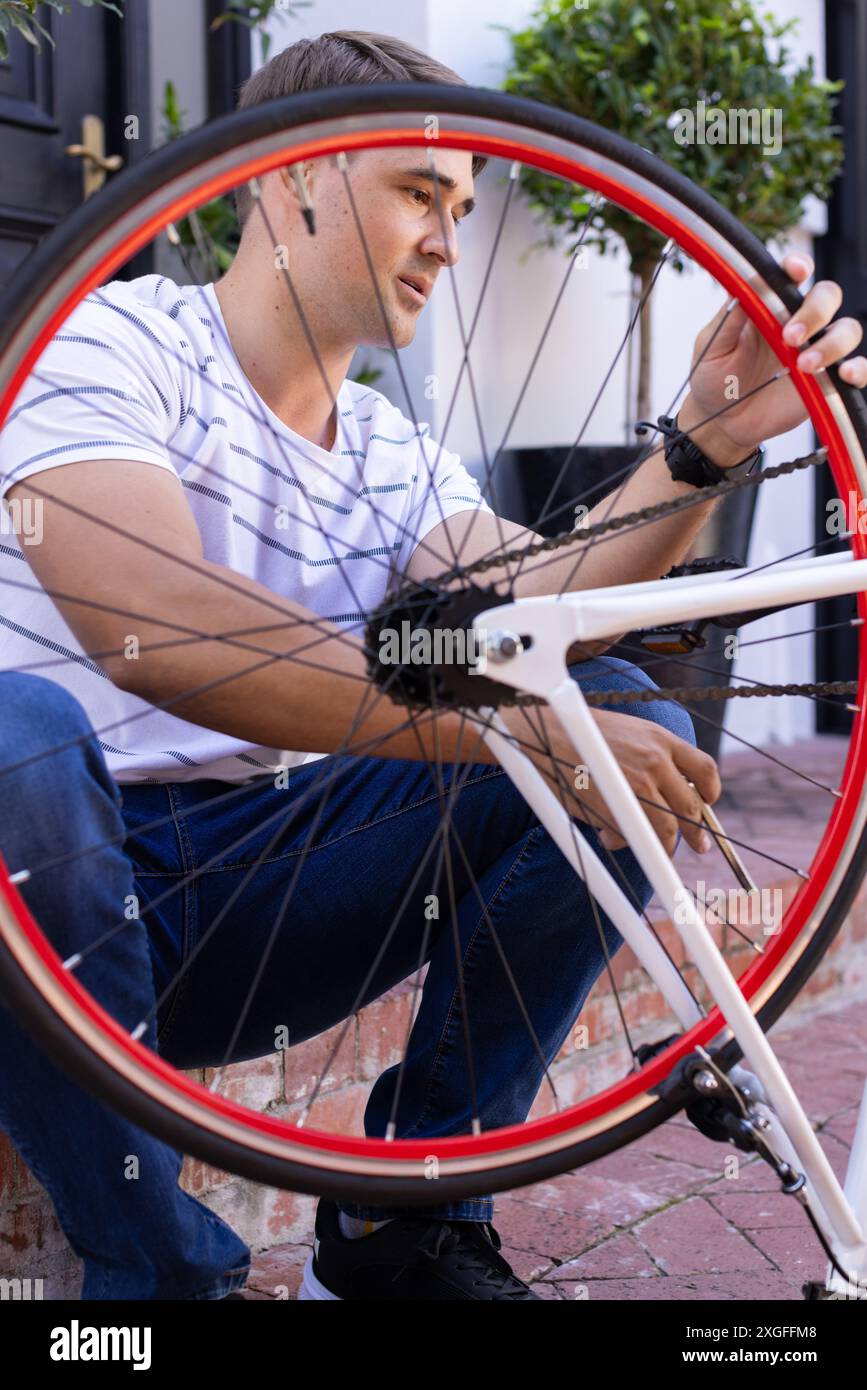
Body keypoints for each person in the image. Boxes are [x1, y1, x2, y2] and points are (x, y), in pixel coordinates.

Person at [0, 29, 864, 1302]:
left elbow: (546, 618)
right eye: (420, 193)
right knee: (16, 736)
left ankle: (404, 1222)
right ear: (282, 177)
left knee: (605, 706)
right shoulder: (111, 345)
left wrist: (703, 447)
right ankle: (163, 1282)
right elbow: (159, 626)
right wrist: (508, 731)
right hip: (48, 906)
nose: (451, 241)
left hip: (251, 901)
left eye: (462, 206)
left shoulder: (393, 454)